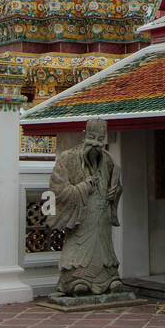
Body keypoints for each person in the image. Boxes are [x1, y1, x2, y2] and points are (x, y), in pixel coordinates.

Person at [47, 118, 122, 295]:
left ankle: (108, 278)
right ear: (83, 136)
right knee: (79, 251)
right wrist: (83, 187)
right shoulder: (67, 159)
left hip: (101, 217)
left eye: (100, 140)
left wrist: (115, 192)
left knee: (105, 249)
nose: (96, 144)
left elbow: (116, 185)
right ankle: (74, 279)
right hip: (80, 219)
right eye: (92, 138)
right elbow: (56, 192)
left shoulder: (108, 160)